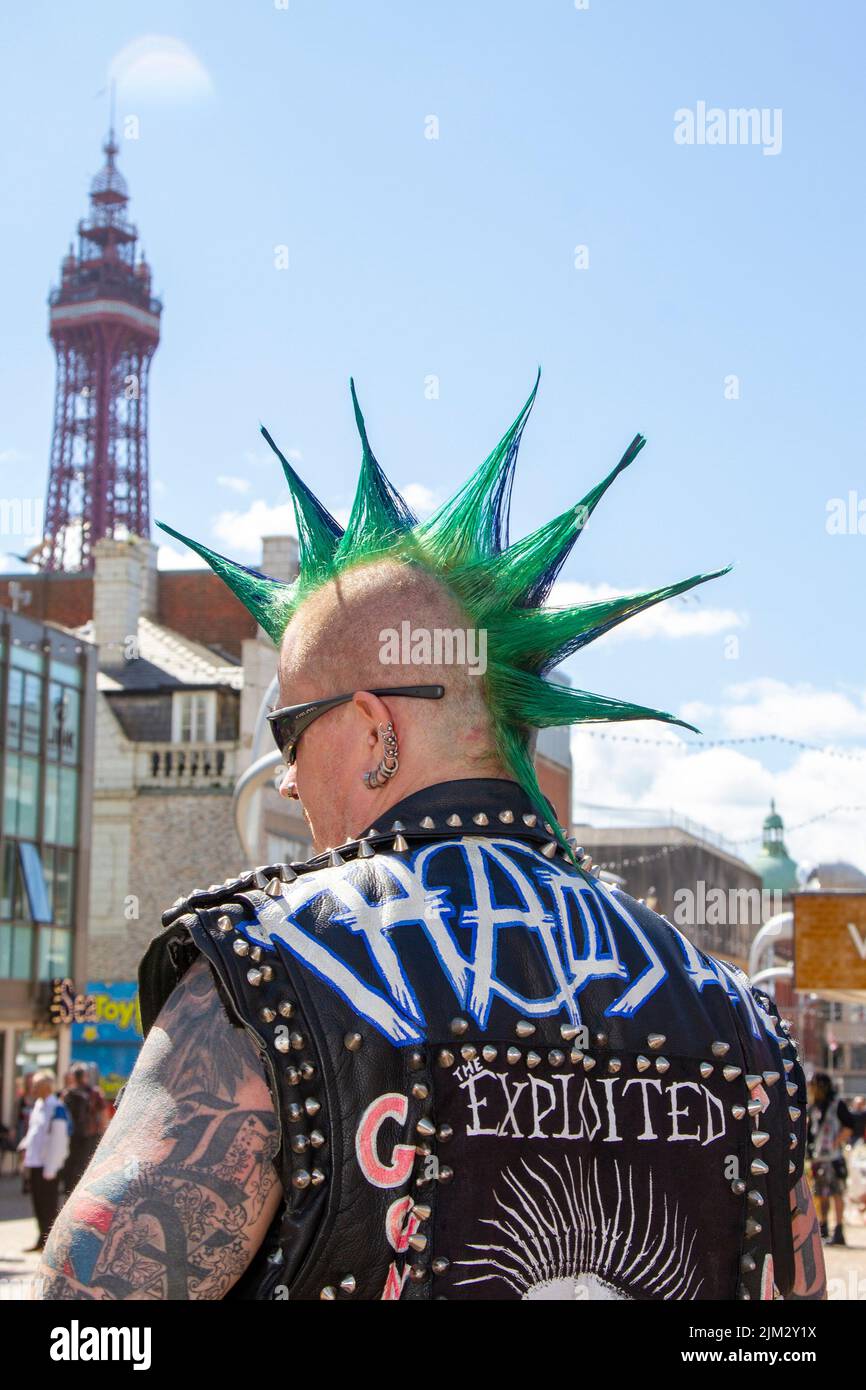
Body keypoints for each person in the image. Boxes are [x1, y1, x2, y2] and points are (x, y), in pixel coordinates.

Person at [37, 379, 823, 1300]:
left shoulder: (271, 970)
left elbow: (84, 1326)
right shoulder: (738, 1022)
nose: (286, 775)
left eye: (291, 731)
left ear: (375, 735)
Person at [18, 1071, 70, 1252]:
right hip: (34, 1162)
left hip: (47, 1165)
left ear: (47, 1087)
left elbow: (58, 1139)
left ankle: (49, 1244)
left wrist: (52, 1167)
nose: (32, 1089)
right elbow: (34, 1132)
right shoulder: (38, 1105)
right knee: (38, 1205)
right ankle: (41, 1239)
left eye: (36, 1085)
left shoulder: (56, 1108)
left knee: (48, 1206)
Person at [808, 1071, 853, 1245]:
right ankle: (823, 1226)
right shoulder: (815, 1106)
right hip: (819, 1158)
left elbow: (849, 1126)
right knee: (820, 1194)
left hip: (834, 1158)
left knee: (837, 1193)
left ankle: (839, 1229)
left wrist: (835, 1142)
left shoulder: (837, 1104)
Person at [62, 1063, 106, 1193]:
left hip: (71, 1135)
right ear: (86, 1076)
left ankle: (69, 1188)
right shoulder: (95, 1092)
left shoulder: (67, 1093)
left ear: (74, 1077)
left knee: (72, 1161)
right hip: (90, 1134)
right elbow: (103, 1114)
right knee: (87, 1163)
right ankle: (84, 1189)